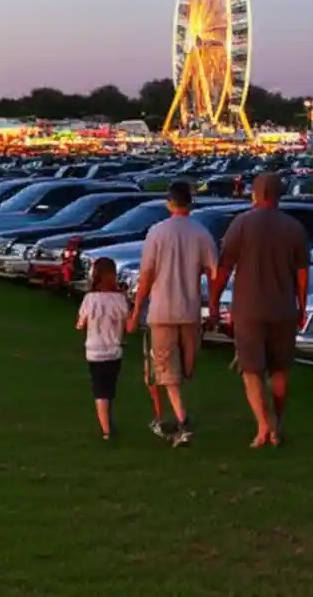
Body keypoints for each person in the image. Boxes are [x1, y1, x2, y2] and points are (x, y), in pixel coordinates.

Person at [208, 172, 309, 449]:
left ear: (255, 194)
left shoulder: (241, 224)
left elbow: (225, 268)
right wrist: (302, 305)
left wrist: (214, 302)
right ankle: (278, 423)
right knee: (279, 370)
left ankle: (263, 427)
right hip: (283, 309)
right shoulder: (294, 228)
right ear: (279, 195)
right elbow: (302, 273)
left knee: (251, 371)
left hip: (249, 310)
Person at [126, 181, 216, 448]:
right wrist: (211, 308)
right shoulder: (202, 233)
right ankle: (177, 417)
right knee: (185, 369)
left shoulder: (157, 232)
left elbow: (147, 275)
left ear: (169, 203)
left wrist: (136, 309)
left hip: (162, 310)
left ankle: (182, 422)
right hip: (189, 310)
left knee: (166, 371)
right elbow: (213, 273)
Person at [76, 257, 129, 441]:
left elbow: (80, 324)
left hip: (94, 350)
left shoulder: (89, 299)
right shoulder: (120, 299)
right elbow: (127, 324)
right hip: (114, 350)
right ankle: (109, 422)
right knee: (110, 387)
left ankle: (106, 430)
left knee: (99, 389)